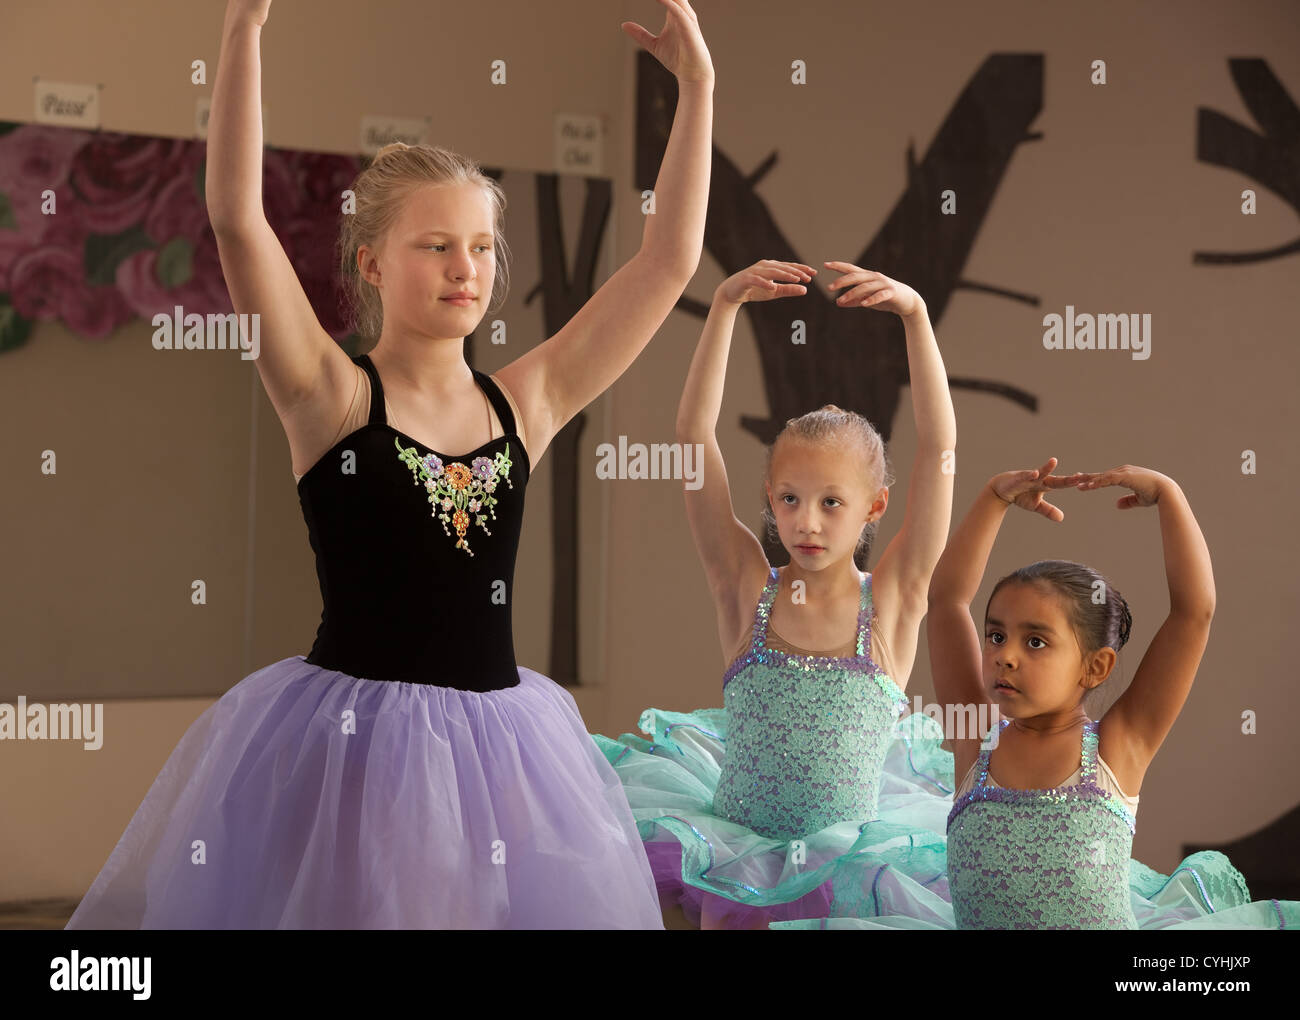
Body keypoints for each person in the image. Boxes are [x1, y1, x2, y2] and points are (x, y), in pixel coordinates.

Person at [66, 0, 715, 929]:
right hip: (354, 757)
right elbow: (236, 219)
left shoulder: (524, 403)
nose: (468, 268)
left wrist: (696, 90)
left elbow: (666, 261)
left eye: (483, 247)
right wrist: (243, 30)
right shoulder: (330, 397)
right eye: (437, 246)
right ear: (370, 263)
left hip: (507, 756)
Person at [595, 260, 958, 928]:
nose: (807, 521)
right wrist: (725, 306)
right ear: (769, 497)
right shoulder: (743, 587)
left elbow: (940, 449)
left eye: (830, 502)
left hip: (849, 868)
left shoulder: (896, 600)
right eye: (789, 499)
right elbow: (692, 438)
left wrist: (917, 317)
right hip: (736, 861)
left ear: (875, 506)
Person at [788, 461, 1299, 929]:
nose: (1005, 655)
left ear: (1096, 666)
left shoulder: (1119, 747)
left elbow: (1193, 613)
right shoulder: (976, 738)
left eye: (1035, 642)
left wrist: (1169, 495)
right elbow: (946, 600)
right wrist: (992, 498)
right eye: (995, 636)